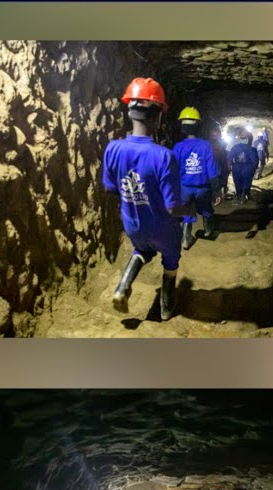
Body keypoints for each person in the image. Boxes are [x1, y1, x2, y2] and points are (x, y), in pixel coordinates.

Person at [103, 77, 193, 321]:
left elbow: (111, 188)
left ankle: (123, 287)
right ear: (158, 117)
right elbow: (172, 206)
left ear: (130, 113)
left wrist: (133, 197)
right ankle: (166, 308)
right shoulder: (163, 156)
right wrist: (189, 211)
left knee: (141, 249)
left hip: (132, 224)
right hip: (162, 227)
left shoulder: (112, 149)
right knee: (170, 260)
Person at [172, 107, 220, 249]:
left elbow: (173, 169)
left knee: (187, 211)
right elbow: (212, 169)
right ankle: (208, 231)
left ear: (182, 127)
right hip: (203, 188)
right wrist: (217, 189)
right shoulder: (205, 146)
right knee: (206, 209)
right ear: (198, 126)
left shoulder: (178, 147)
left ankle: (185, 239)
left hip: (185, 188)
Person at [228, 131, 258, 204]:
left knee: (238, 182)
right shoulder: (250, 148)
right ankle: (244, 195)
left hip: (237, 167)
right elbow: (254, 160)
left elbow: (229, 158)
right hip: (248, 167)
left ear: (239, 138)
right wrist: (254, 168)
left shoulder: (235, 147)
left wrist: (230, 167)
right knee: (246, 182)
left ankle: (239, 195)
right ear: (247, 138)